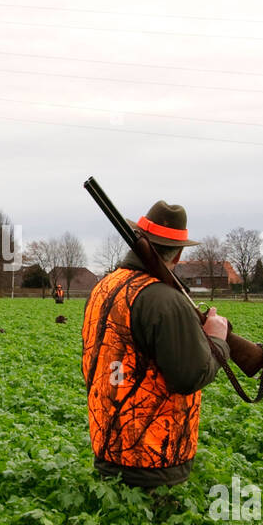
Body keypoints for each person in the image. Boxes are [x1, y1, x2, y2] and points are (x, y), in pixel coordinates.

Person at [80, 201, 230, 490]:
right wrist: (217, 342)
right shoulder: (165, 300)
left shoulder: (104, 288)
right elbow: (190, 376)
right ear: (180, 251)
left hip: (107, 449)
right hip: (155, 464)